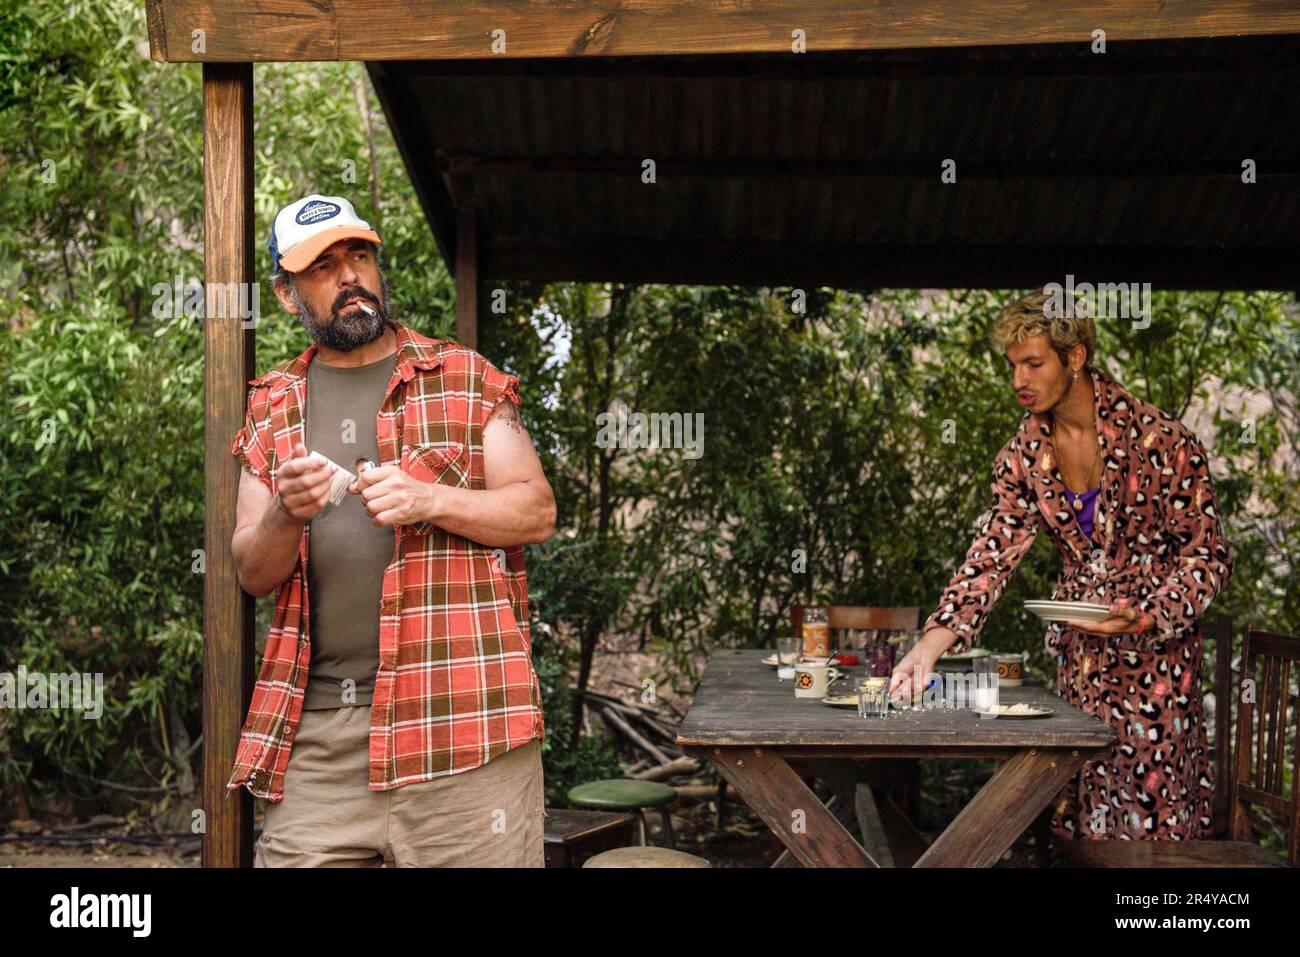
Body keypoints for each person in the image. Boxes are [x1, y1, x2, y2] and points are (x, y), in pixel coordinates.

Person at [227, 193, 556, 866]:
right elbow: (252, 572)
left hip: (465, 727)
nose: (349, 276)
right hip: (322, 741)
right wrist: (287, 512)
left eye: (359, 256)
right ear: (289, 296)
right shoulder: (272, 406)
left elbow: (536, 510)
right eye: (322, 266)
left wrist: (427, 498)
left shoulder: (465, 379)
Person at [890, 289, 1232, 841]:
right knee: (1081, 808)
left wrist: (1147, 615)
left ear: (1074, 359)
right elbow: (992, 552)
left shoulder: (1164, 442)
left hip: (1157, 662)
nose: (1019, 380)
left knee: (1154, 818)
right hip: (1080, 659)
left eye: (1034, 363)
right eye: (1012, 366)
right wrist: (933, 641)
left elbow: (1207, 554)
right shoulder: (1024, 455)